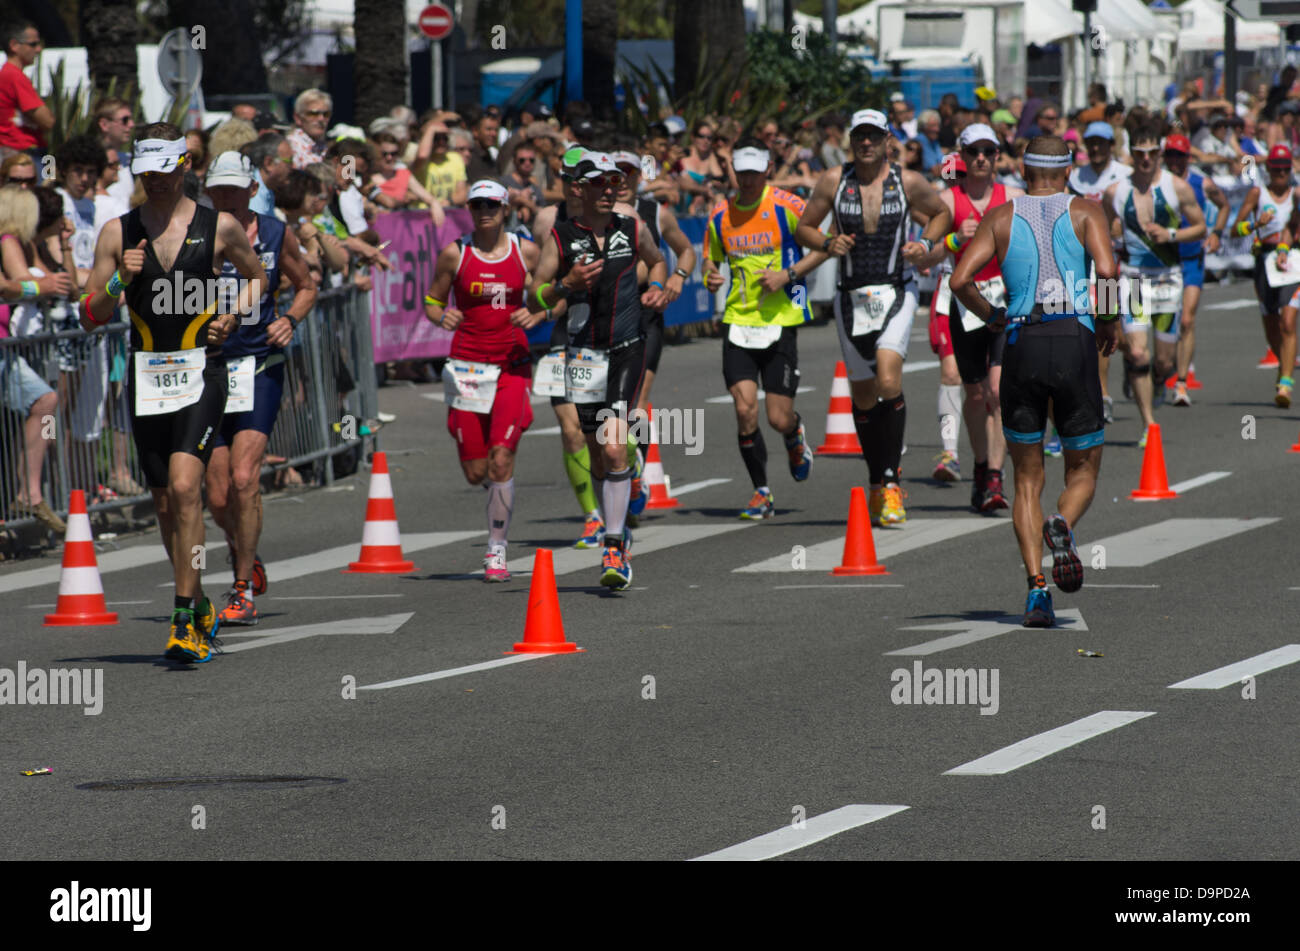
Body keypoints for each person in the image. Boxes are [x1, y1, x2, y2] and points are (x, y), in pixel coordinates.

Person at [79, 123, 267, 664]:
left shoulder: (220, 225)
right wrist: (118, 283)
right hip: (147, 379)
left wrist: (231, 316)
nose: (155, 183)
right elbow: (89, 317)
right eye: (146, 175)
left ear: (184, 167)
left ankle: (183, 620)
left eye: (164, 172)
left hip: (202, 372)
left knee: (188, 487)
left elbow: (256, 278)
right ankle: (201, 598)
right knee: (165, 502)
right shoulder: (119, 232)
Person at [949, 134, 1120, 628]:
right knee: (1083, 468)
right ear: (1068, 171)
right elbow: (1107, 269)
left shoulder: (1001, 216)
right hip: (1073, 336)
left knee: (1026, 477)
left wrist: (993, 316)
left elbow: (960, 280)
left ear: (1023, 172)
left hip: (1022, 340)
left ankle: (1036, 591)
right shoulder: (1086, 210)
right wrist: (1108, 321)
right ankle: (1062, 522)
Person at [796, 108, 953, 528]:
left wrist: (925, 244)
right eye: (859, 136)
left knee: (888, 380)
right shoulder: (833, 180)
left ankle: (890, 479)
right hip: (850, 299)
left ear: (887, 139)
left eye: (873, 136)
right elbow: (803, 228)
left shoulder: (909, 181)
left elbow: (941, 213)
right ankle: (877, 481)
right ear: (851, 140)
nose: (866, 143)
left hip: (895, 290)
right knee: (864, 396)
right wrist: (828, 243)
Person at [529, 152, 668, 589]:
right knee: (595, 451)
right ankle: (616, 514)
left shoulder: (633, 225)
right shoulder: (562, 236)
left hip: (627, 348)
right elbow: (534, 296)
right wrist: (565, 286)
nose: (609, 190)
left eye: (613, 182)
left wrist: (660, 285)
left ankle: (613, 544)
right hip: (584, 355)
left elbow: (658, 258)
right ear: (580, 189)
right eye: (599, 184)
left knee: (611, 449)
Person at [202, 151, 316, 624]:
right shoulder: (193, 234)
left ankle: (242, 586)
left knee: (245, 479)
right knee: (217, 495)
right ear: (208, 192)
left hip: (258, 366)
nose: (226, 196)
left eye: (235, 188)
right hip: (207, 369)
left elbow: (306, 284)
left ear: (252, 189)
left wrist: (289, 319)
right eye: (218, 189)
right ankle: (245, 549)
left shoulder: (274, 232)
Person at [423, 181, 540, 581]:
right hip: (468, 368)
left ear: (505, 208)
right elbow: (432, 300)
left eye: (492, 204)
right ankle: (495, 495)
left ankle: (496, 549)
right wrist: (442, 316)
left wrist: (537, 315)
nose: (484, 210)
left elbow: (550, 296)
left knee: (502, 457)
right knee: (477, 471)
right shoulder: (455, 254)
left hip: (511, 365)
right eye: (477, 205)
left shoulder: (525, 253)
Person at [702, 140, 821, 519]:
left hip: (781, 320)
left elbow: (825, 244)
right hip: (738, 322)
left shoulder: (787, 206)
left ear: (768, 169)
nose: (749, 179)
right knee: (744, 409)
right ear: (734, 172)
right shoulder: (720, 216)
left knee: (777, 417)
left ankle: (794, 433)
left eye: (755, 172)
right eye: (743, 173)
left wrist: (787, 275)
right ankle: (761, 491)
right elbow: (711, 259)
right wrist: (710, 276)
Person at [917, 124, 1024, 512]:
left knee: (997, 391)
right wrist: (952, 241)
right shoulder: (946, 201)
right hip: (964, 305)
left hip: (1004, 303)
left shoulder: (1013, 197)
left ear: (998, 156)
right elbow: (922, 257)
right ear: (961, 156)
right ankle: (981, 465)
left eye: (988, 151)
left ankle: (995, 476)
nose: (981, 158)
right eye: (974, 151)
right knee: (975, 394)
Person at [1103, 125, 1206, 446]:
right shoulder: (1115, 192)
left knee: (1163, 362)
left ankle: (1159, 380)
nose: (1146, 159)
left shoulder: (1178, 188)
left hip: (1167, 279)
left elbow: (1201, 227)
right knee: (1136, 351)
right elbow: (1107, 227)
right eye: (1139, 153)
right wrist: (1115, 234)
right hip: (1132, 278)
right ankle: (1149, 424)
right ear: (1131, 154)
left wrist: (1171, 235)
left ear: (1159, 154)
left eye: (1151, 153)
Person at [0, 184, 71, 534]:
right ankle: (25, 494)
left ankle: (30, 492)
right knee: (45, 402)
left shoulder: (23, 242)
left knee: (46, 402)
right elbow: (8, 286)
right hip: (9, 346)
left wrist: (67, 246)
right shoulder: (7, 240)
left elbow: (65, 282)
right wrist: (38, 288)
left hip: (9, 346)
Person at [611, 149, 695, 419]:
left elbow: (687, 250)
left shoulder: (656, 213)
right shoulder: (596, 214)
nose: (622, 180)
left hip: (645, 314)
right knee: (607, 406)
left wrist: (678, 277)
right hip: (606, 317)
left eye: (629, 173)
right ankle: (618, 457)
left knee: (637, 402)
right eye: (616, 173)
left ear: (639, 177)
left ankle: (636, 460)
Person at [1069, 121, 1132, 425]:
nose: (1095, 148)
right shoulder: (1076, 176)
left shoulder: (1124, 175)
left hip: (1127, 265)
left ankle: (1140, 370)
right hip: (1093, 266)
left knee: (1132, 341)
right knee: (1101, 325)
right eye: (1091, 142)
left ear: (1110, 145)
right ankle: (1102, 395)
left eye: (1101, 143)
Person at [1162, 134, 1229, 407]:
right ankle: (1145, 369)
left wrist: (1216, 234)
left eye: (1180, 155)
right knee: (1161, 323)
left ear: (1188, 157)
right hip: (1162, 262)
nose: (1175, 161)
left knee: (1187, 320)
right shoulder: (1156, 184)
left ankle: (1181, 383)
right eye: (1171, 155)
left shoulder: (1202, 183)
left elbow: (1224, 206)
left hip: (1191, 260)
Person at [1234, 144, 1300, 407]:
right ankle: (1283, 366)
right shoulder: (1257, 193)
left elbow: (1293, 226)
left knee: (1287, 321)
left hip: (1293, 259)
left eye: (1285, 169)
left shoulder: (1297, 195)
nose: (1281, 173)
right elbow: (1235, 230)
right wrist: (1255, 225)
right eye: (1276, 169)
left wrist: (1287, 246)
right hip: (1264, 262)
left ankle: (1286, 383)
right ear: (1268, 169)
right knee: (1272, 327)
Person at [368, 130, 445, 225]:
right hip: (378, 229)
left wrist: (435, 204)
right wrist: (405, 199)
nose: (389, 158)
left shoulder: (404, 174)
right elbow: (388, 203)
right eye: (385, 154)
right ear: (376, 153)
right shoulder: (367, 178)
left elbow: (429, 198)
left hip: (401, 230)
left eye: (393, 153)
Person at [0, 20, 51, 161]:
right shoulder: (14, 76)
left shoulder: (8, 73)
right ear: (14, 45)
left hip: (27, 150)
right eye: (33, 44)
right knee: (49, 179)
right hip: (24, 152)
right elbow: (47, 121)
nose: (39, 49)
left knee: (52, 174)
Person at [242, 132, 292, 217]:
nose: (292, 166)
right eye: (289, 161)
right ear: (269, 163)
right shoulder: (253, 199)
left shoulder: (268, 188)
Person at [288, 90, 332, 169]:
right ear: (298, 118)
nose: (321, 119)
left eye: (326, 114)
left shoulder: (328, 147)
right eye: (313, 114)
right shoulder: (291, 147)